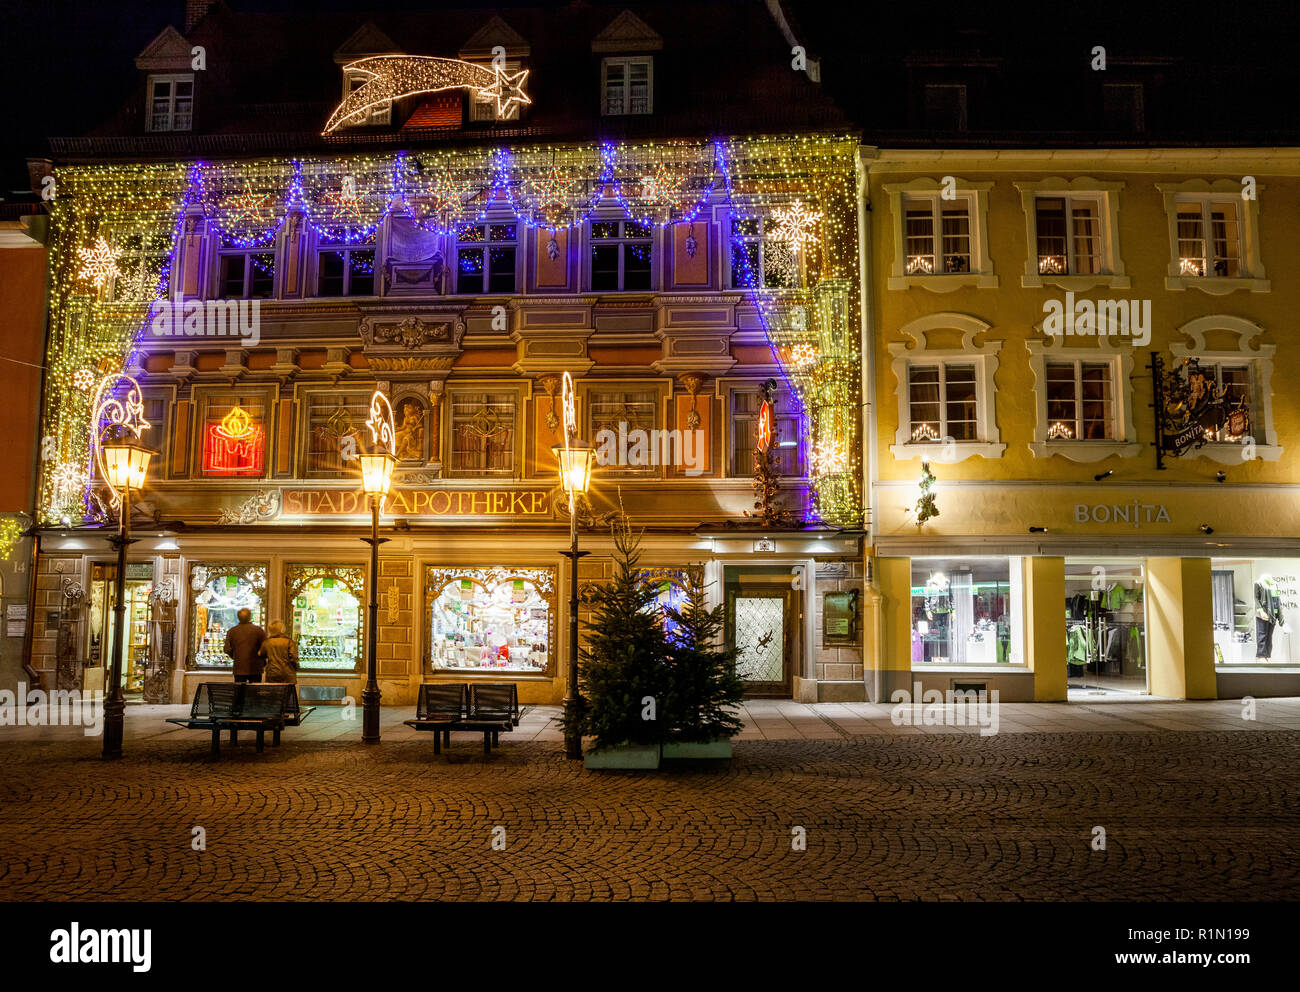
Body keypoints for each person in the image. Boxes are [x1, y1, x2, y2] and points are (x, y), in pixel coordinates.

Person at [223, 608, 266, 683]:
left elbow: (227, 649)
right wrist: (261, 659)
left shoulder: (232, 631)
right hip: (256, 667)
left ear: (238, 617)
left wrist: (235, 656)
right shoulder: (258, 630)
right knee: (254, 692)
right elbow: (265, 648)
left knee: (240, 692)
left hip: (239, 667)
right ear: (250, 617)